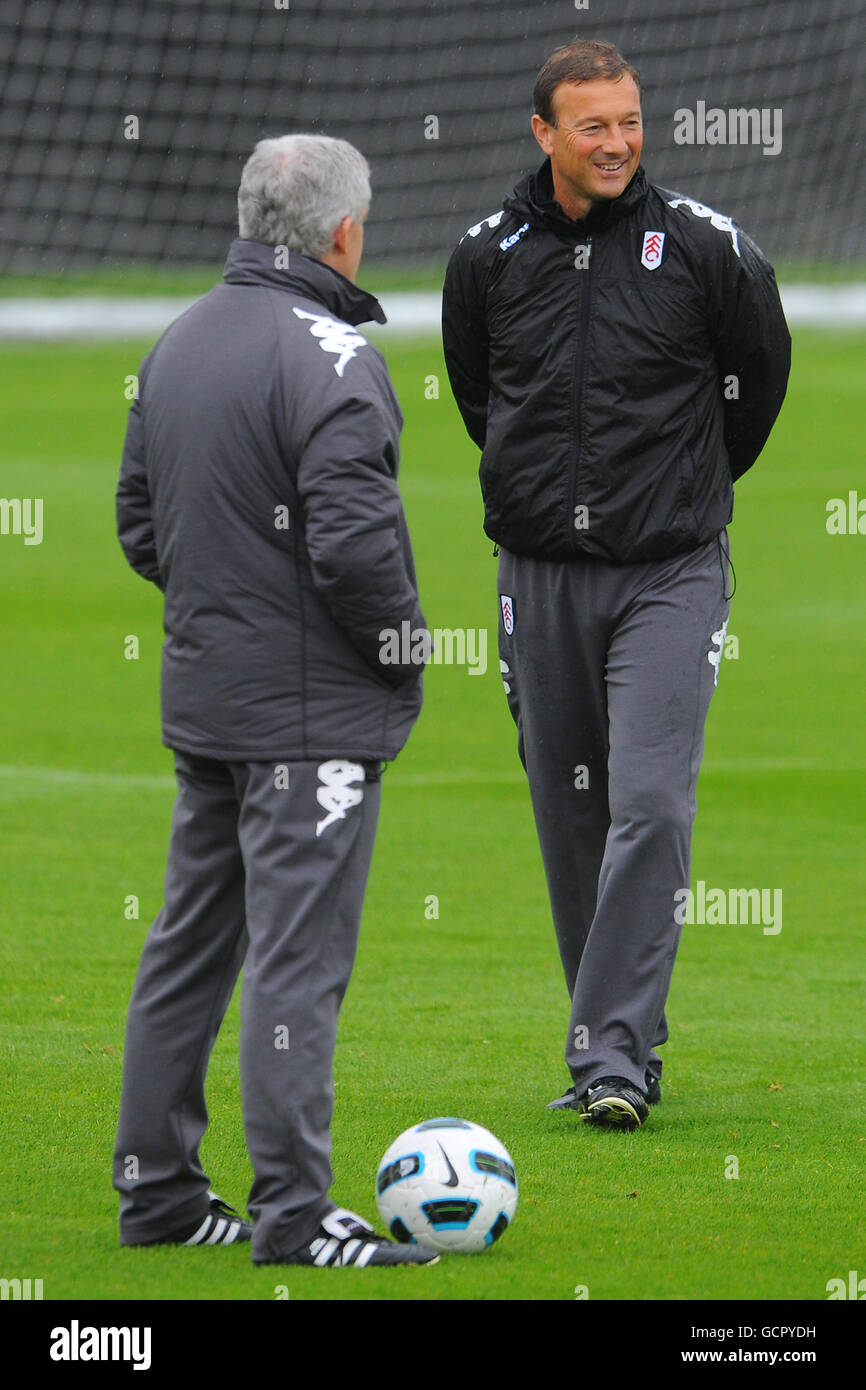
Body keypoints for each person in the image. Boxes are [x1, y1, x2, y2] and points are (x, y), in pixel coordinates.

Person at [442, 40, 790, 1129]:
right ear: (542, 133)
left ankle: (612, 1058)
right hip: (536, 576)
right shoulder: (485, 255)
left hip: (668, 574)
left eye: (628, 121)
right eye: (590, 125)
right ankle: (620, 1030)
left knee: (646, 804)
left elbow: (754, 388)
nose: (616, 143)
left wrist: (676, 493)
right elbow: (476, 397)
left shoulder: (703, 248)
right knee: (571, 813)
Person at [114, 134, 438, 1267]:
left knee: (189, 946)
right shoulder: (333, 352)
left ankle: (157, 1192)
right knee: (297, 962)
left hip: (209, 702)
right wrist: (404, 651)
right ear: (344, 232)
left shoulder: (176, 342)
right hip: (311, 721)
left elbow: (140, 528)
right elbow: (354, 548)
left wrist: (231, 607)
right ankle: (295, 1215)